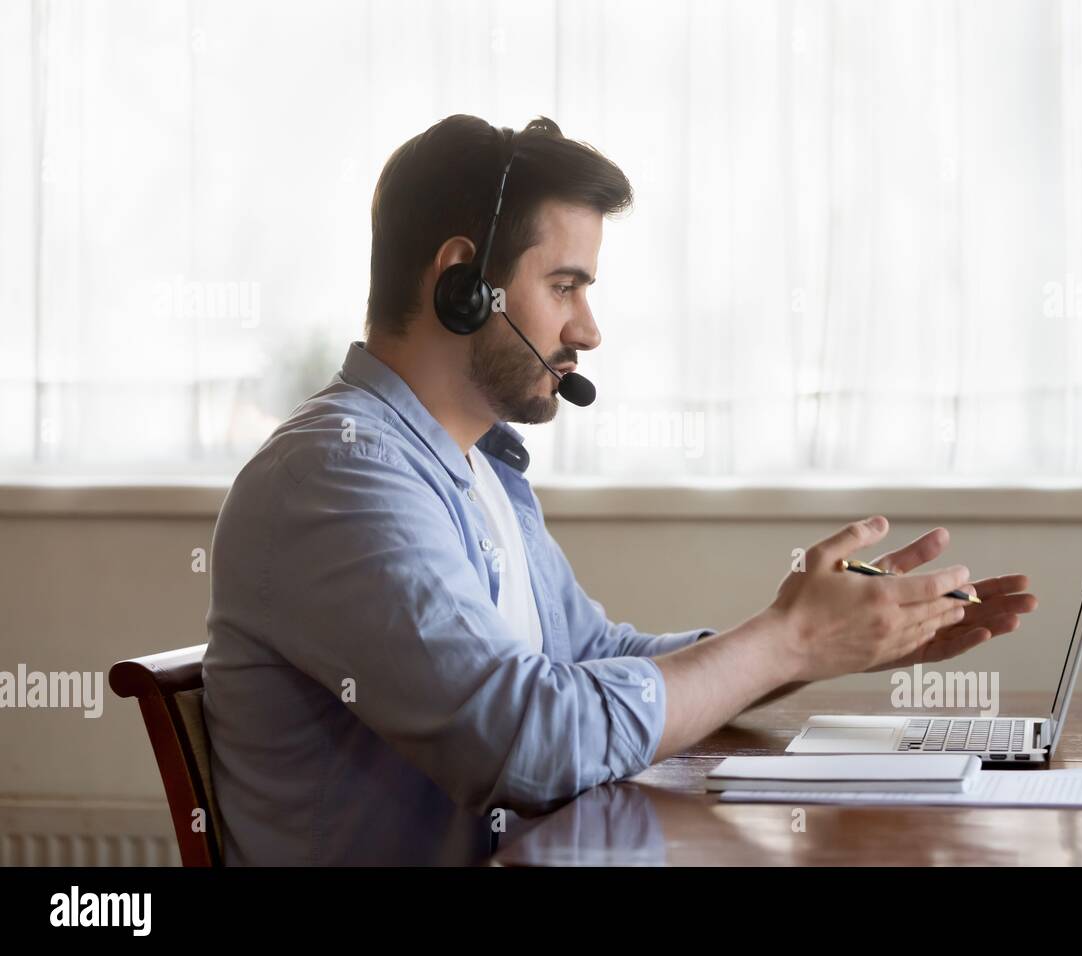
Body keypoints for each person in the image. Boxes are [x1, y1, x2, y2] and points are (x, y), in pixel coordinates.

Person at [202, 114, 1038, 865]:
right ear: (463, 282)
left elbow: (598, 664)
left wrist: (830, 636)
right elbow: (525, 740)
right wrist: (786, 640)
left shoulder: (475, 467)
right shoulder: (338, 476)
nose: (588, 331)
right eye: (564, 286)